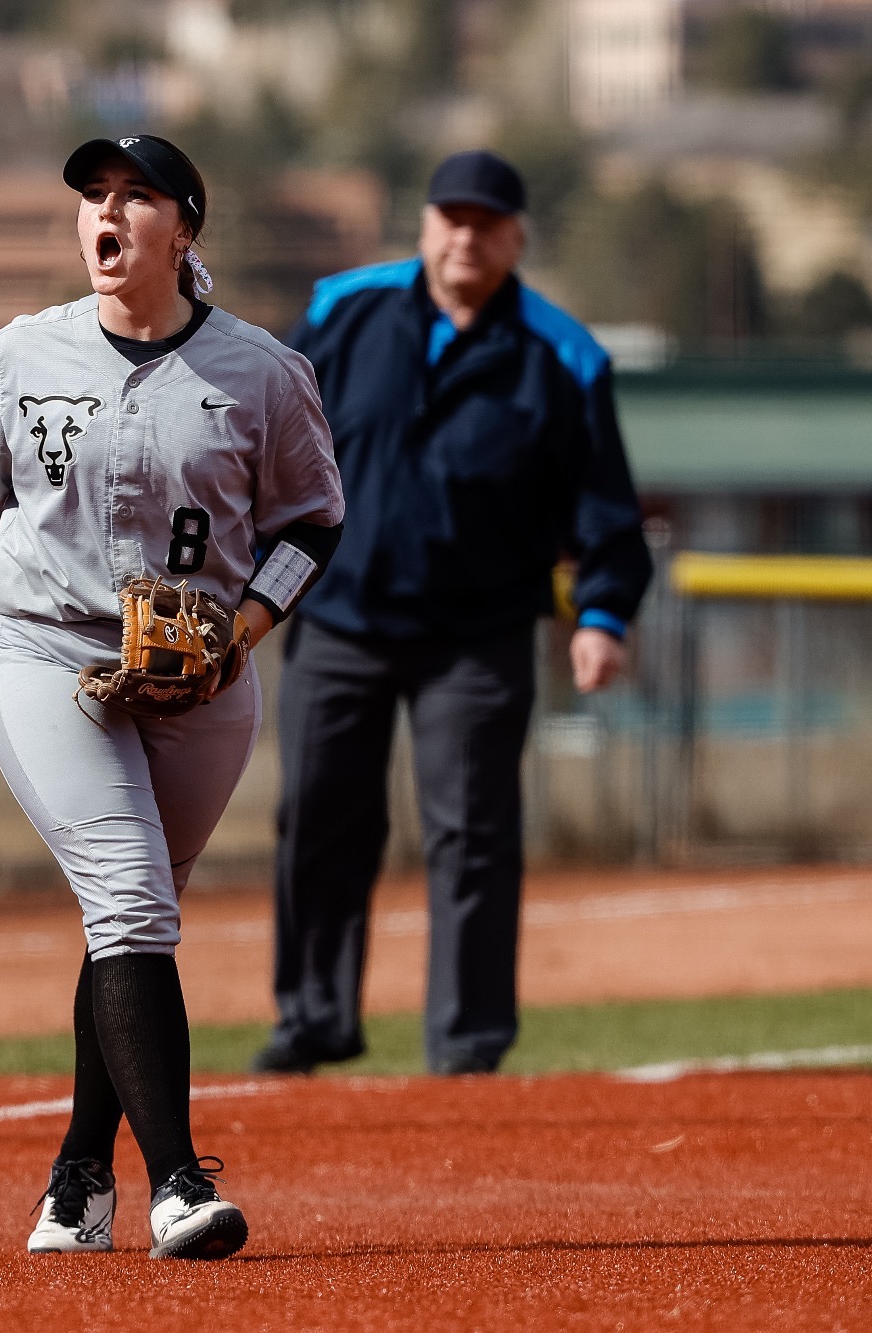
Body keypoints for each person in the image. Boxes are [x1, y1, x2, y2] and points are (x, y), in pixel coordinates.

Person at [0, 134, 345, 1259]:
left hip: (200, 680)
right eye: (92, 199)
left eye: (135, 197)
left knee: (132, 921)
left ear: (184, 230)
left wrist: (246, 627)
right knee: (128, 897)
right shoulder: (27, 354)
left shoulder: (261, 373)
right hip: (47, 659)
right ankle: (175, 1183)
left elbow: (313, 520)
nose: (105, 215)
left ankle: (77, 1182)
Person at [253, 149, 652, 1078]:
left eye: (486, 223)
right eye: (450, 218)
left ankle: (467, 1043)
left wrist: (603, 614)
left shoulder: (563, 354)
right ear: (425, 224)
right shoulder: (339, 312)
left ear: (516, 238)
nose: (465, 237)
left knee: (473, 834)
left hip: (478, 636)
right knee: (318, 819)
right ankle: (312, 1018)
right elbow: (250, 429)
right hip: (337, 615)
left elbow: (609, 510)